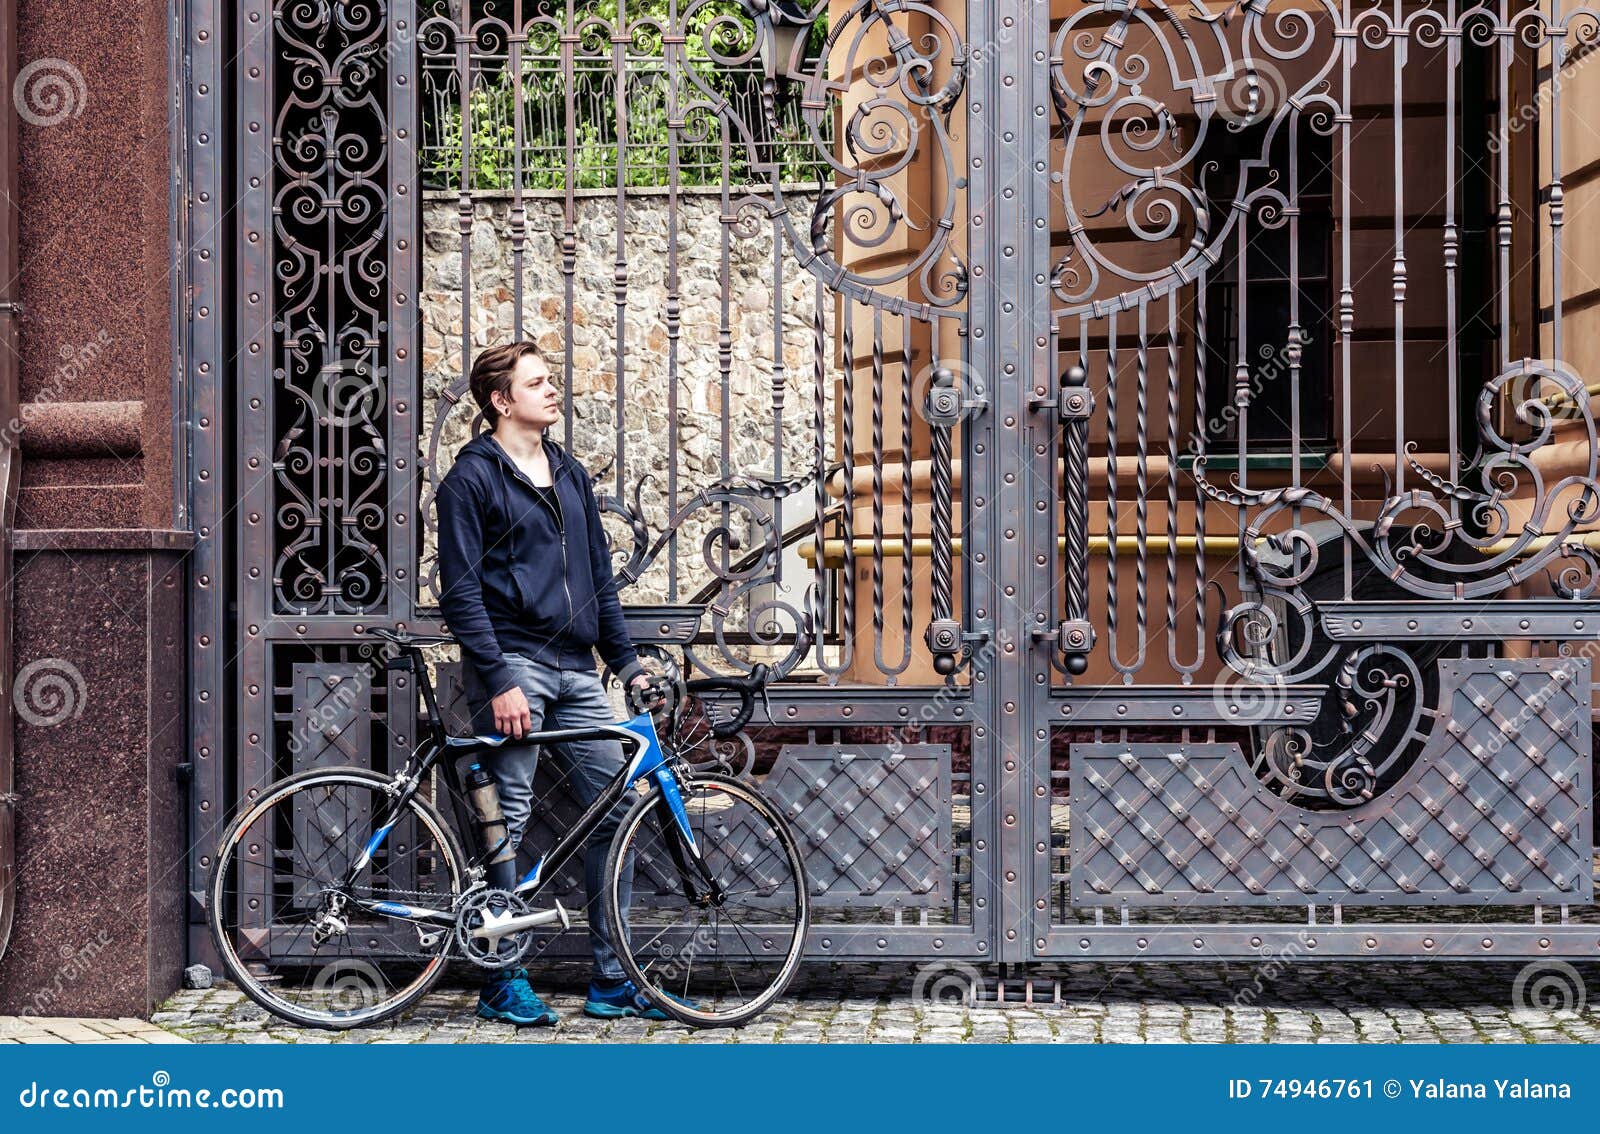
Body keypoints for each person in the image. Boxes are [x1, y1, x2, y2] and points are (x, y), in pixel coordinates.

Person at [436, 340, 663, 1027]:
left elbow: (599, 577)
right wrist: (499, 678)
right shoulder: (469, 481)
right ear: (501, 401)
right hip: (515, 666)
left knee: (616, 809)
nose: (553, 390)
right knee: (506, 818)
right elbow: (460, 591)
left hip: (576, 668)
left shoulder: (568, 473)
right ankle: (502, 980)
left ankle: (611, 979)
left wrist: (625, 663)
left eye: (551, 379)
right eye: (537, 383)